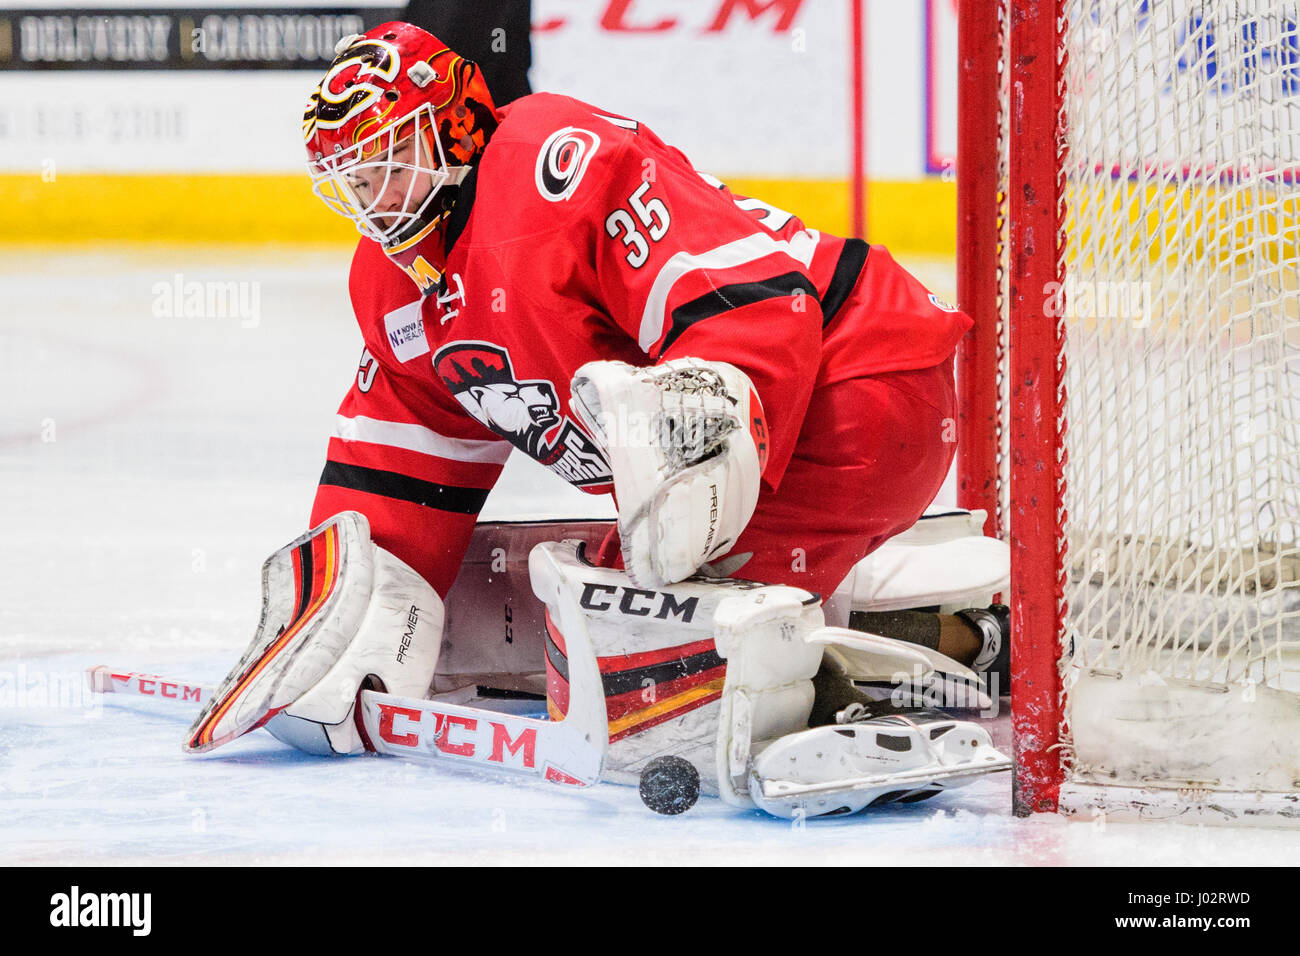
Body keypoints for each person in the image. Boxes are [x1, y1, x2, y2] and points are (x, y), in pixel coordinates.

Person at [184, 21, 1008, 773]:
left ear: (459, 127)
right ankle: (898, 618)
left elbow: (759, 310)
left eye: (388, 160)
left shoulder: (555, 164)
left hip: (857, 387)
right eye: (353, 174)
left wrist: (704, 443)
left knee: (645, 702)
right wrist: (350, 589)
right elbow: (400, 465)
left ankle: (936, 657)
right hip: (787, 428)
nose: (373, 195)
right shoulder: (394, 285)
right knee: (487, 608)